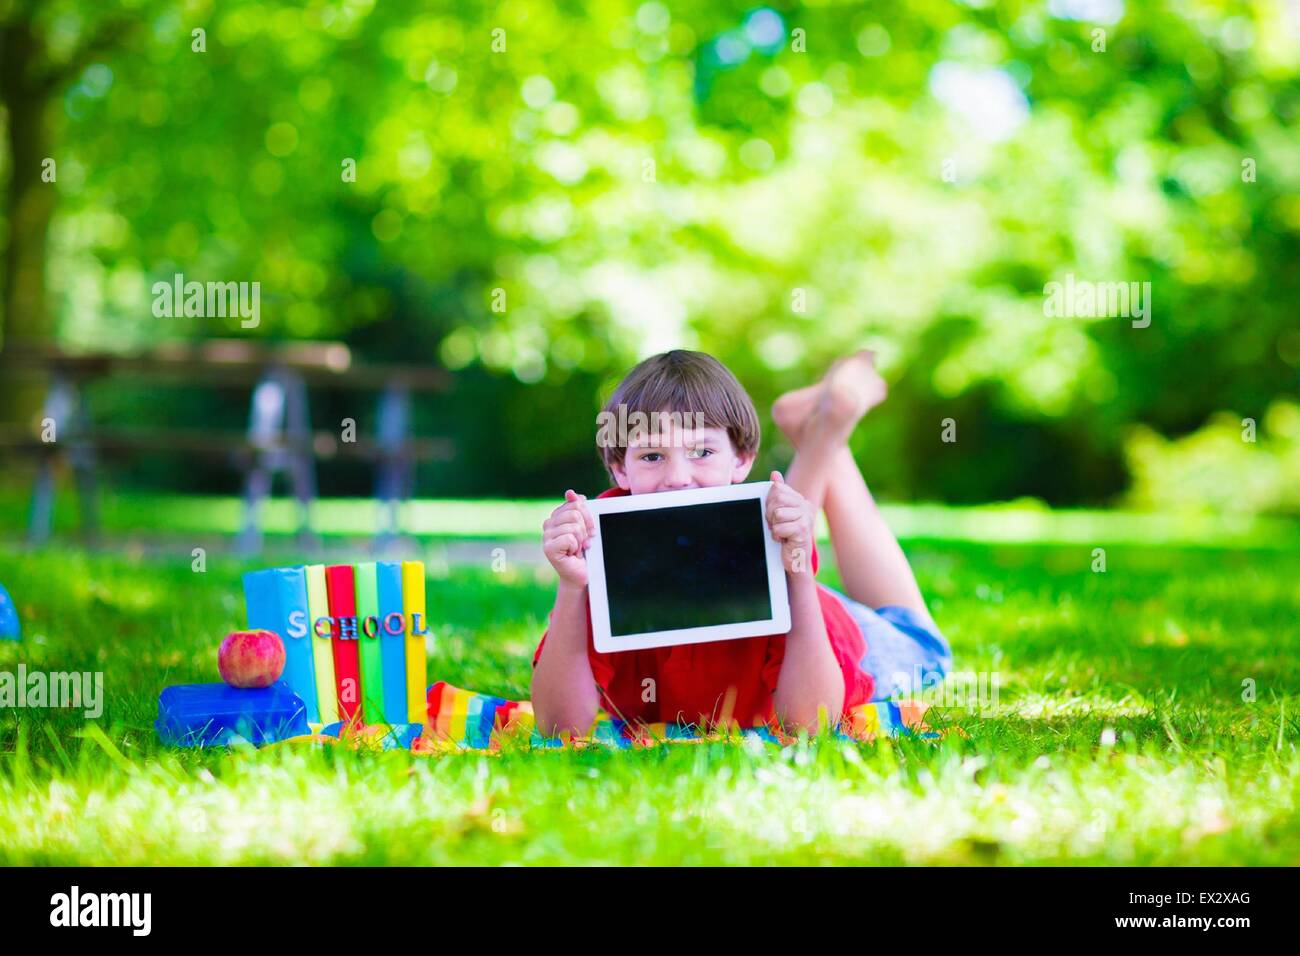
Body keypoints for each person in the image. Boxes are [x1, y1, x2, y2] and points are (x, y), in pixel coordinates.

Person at [530, 349, 951, 737]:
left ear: (742, 460)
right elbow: (559, 727)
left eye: (702, 452)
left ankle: (823, 439)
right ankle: (820, 437)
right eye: (652, 456)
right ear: (621, 471)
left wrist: (799, 574)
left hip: (839, 641)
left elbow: (809, 724)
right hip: (774, 597)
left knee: (923, 644)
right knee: (774, 526)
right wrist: (571, 588)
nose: (677, 478)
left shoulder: (784, 563)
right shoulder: (601, 555)